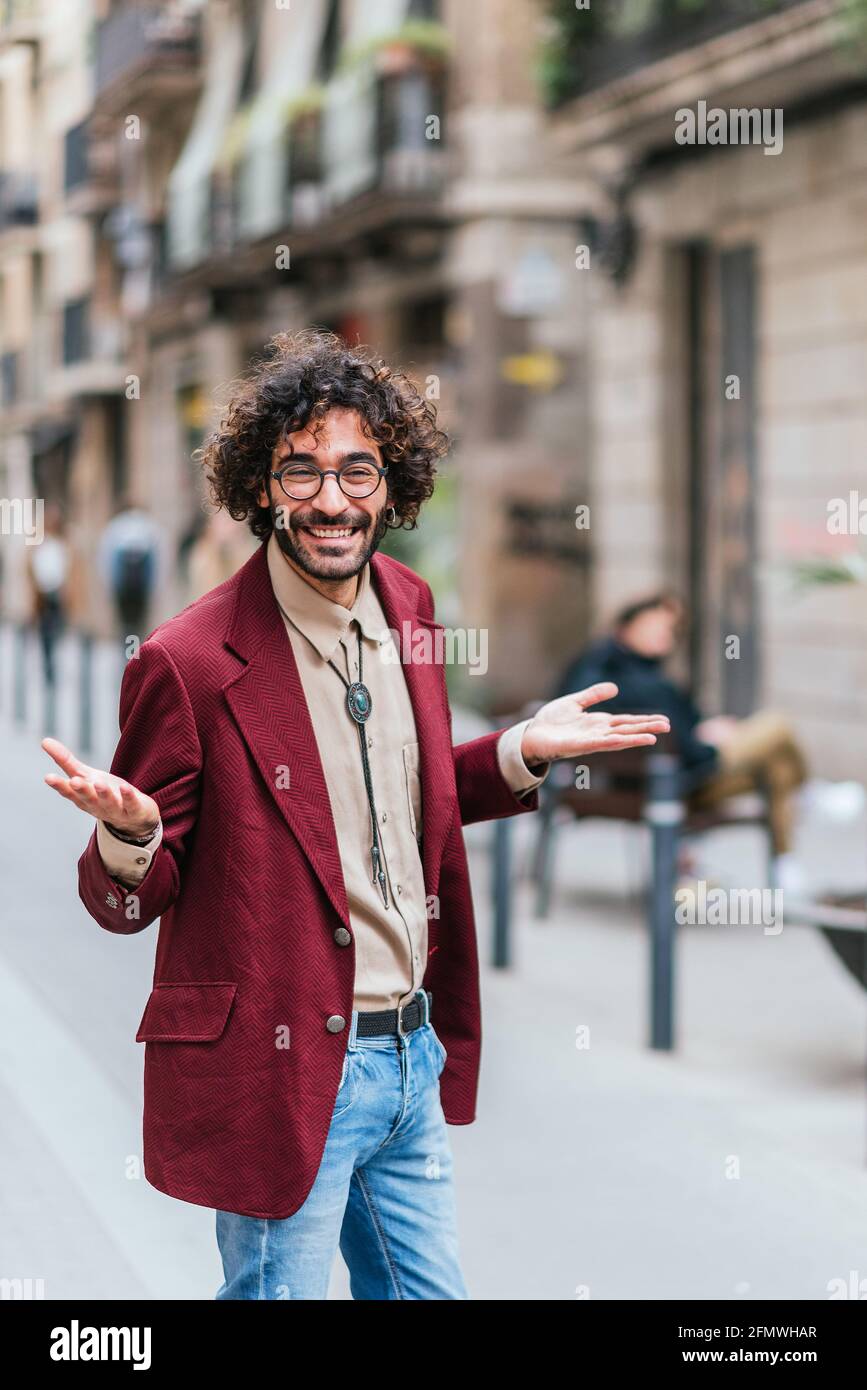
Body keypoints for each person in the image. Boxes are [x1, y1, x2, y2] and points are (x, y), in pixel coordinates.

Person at [42, 329, 669, 1301]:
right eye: (301, 472)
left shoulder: (409, 606)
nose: (331, 498)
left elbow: (400, 795)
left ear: (392, 485)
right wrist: (129, 836)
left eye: (356, 470)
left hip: (408, 1055)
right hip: (287, 1068)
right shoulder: (190, 660)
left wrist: (522, 749)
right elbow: (131, 899)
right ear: (260, 487)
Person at [554, 593, 808, 884]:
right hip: (678, 787)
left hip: (611, 789)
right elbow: (692, 754)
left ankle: (788, 855)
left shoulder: (587, 669)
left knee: (778, 771)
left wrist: (699, 731)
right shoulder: (650, 685)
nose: (664, 635)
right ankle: (792, 839)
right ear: (625, 627)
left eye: (670, 629)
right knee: (778, 728)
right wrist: (711, 740)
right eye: (655, 626)